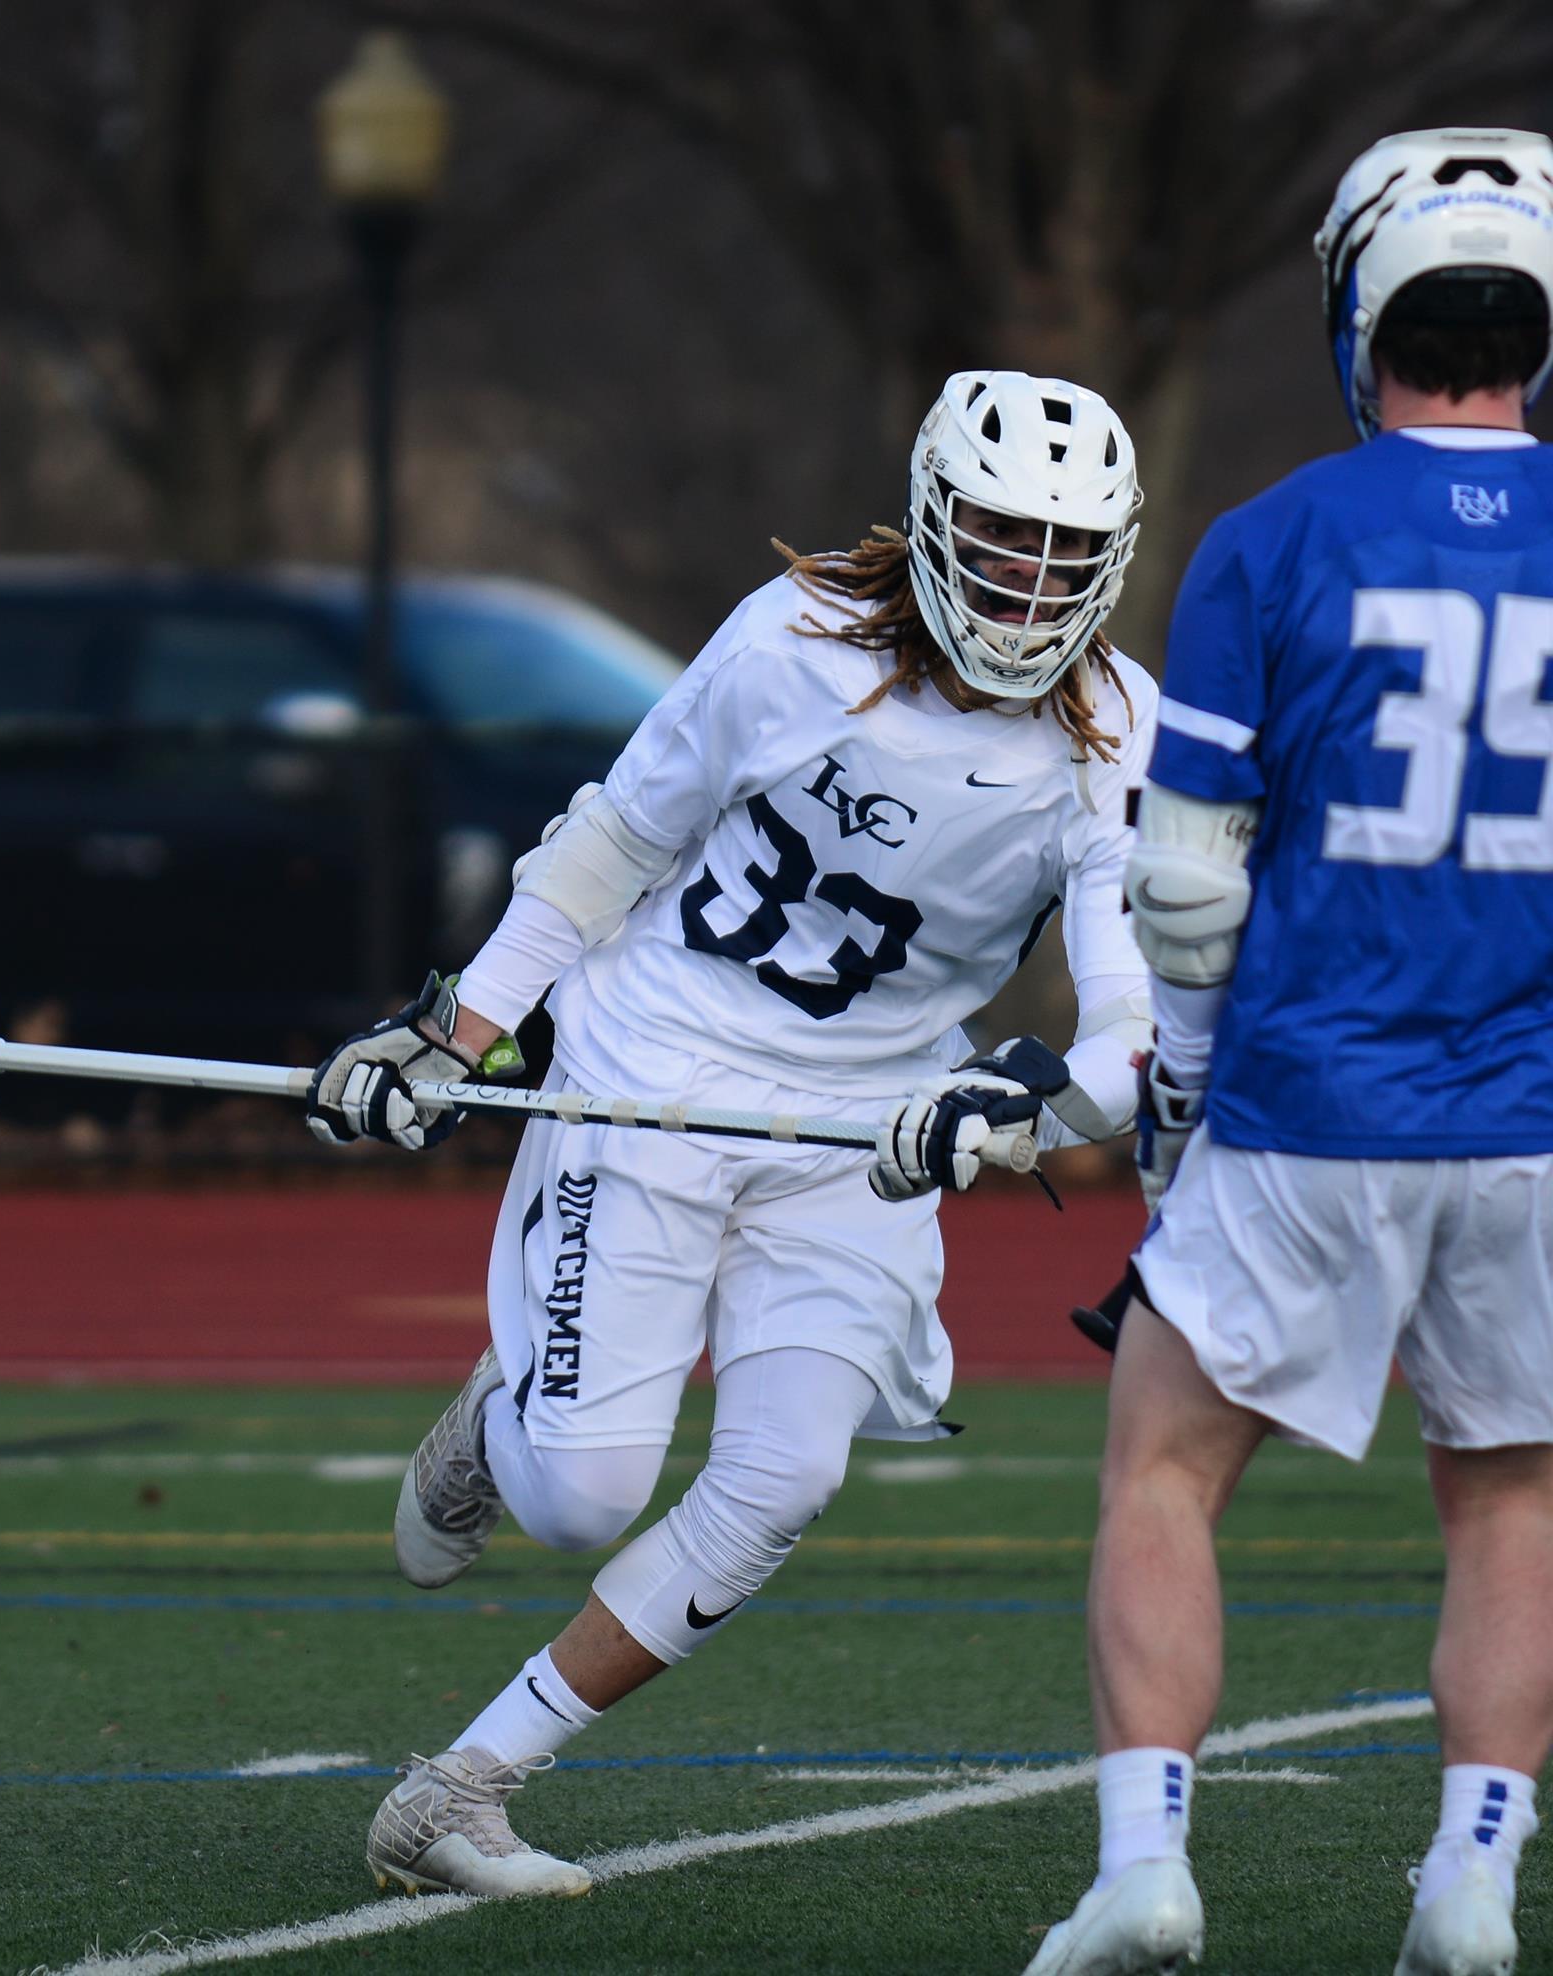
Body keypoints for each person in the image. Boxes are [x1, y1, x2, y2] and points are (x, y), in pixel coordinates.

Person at [306, 369, 1156, 1899]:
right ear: (932, 521)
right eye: (1001, 539)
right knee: (580, 1497)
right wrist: (464, 1028)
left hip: (869, 1129)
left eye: (1061, 554)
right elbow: (619, 837)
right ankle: (502, 1422)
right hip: (659, 1065)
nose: (1028, 586)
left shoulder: (1115, 739)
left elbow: (1124, 1037)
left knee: (782, 1476)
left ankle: (462, 1789)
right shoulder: (791, 643)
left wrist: (1020, 1104)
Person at [1026, 129, 1553, 1976]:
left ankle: (1146, 1869)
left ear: (1367, 310)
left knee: (1165, 1470)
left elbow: (1184, 886)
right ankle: (1474, 1885)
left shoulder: (1270, 540)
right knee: (1513, 1496)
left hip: (1313, 1100)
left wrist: (1179, 1082)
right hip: (1536, 1125)